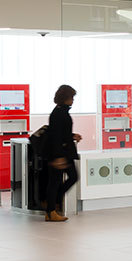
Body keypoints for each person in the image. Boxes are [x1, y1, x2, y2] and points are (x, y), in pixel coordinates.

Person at [44, 85, 82, 223]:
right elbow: (55, 137)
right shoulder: (59, 113)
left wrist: (72, 136)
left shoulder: (60, 111)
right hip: (60, 154)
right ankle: (51, 209)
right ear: (65, 98)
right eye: (71, 97)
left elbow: (61, 133)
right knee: (60, 180)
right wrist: (58, 157)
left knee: (63, 179)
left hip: (63, 152)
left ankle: (51, 206)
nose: (73, 100)